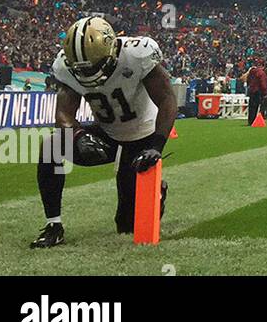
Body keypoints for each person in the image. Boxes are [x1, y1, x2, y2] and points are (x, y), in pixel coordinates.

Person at [31, 17, 177, 248]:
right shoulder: (67, 66)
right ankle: (53, 225)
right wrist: (78, 136)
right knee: (52, 146)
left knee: (127, 226)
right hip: (107, 133)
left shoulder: (137, 54)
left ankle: (157, 190)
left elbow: (167, 99)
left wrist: (156, 145)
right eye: (82, 68)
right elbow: (63, 114)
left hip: (141, 136)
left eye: (93, 64)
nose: (88, 72)